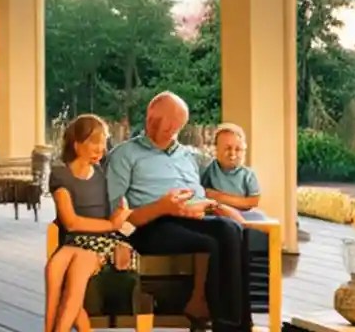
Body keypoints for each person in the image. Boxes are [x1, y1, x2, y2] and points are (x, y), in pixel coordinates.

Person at [106, 92, 250, 332]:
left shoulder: (187, 155)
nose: (175, 129)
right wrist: (164, 207)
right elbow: (119, 217)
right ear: (150, 118)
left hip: (194, 216)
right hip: (152, 225)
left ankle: (238, 326)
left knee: (232, 229)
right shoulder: (125, 154)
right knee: (211, 243)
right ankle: (223, 324)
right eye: (169, 122)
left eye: (179, 124)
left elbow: (203, 192)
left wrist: (215, 206)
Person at [45, 114, 131, 332]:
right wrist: (111, 224)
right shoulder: (61, 175)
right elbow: (71, 223)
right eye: (94, 141)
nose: (100, 147)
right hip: (72, 240)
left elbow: (122, 208)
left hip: (98, 243)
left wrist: (117, 224)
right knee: (53, 270)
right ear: (76, 143)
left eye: (103, 141)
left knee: (74, 284)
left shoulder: (104, 174)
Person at [202, 123, 261, 215]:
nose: (232, 154)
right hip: (218, 213)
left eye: (238, 149)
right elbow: (204, 194)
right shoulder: (209, 170)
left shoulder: (248, 174)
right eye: (227, 148)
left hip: (244, 213)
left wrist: (220, 197)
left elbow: (253, 201)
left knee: (260, 217)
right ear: (216, 150)